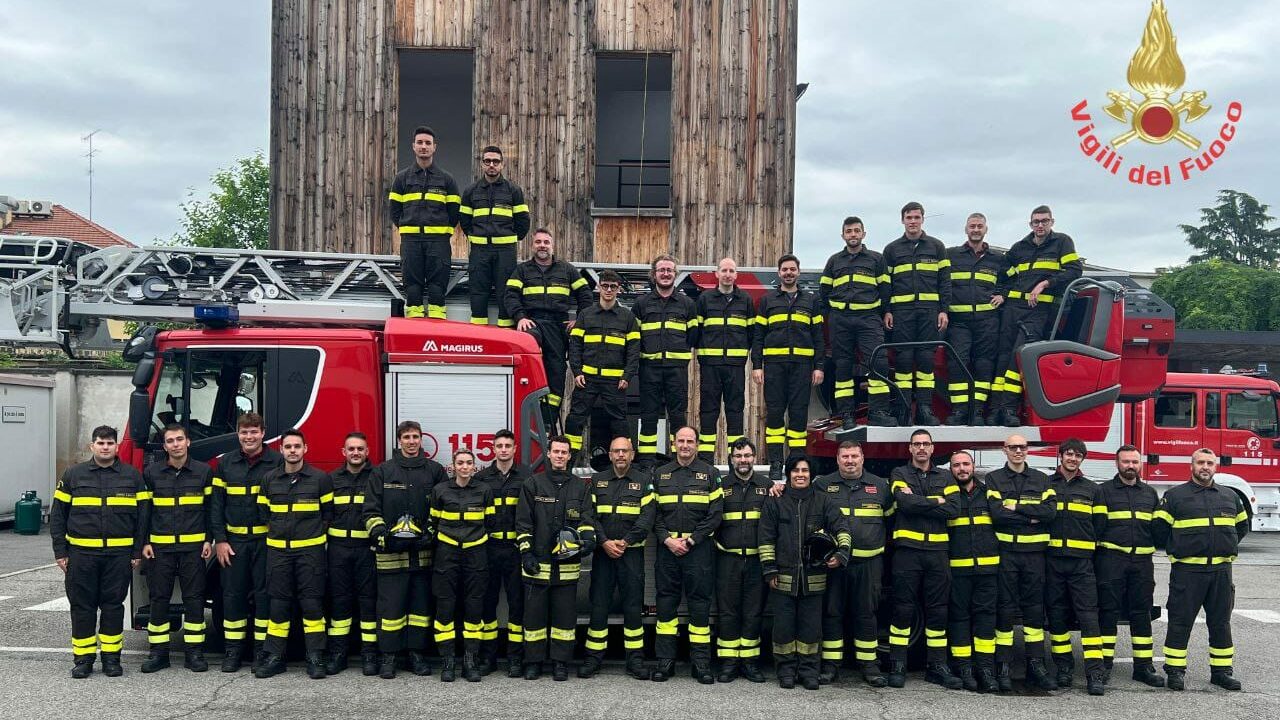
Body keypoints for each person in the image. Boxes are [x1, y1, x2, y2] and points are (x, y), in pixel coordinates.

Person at [50, 425, 149, 679]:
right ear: (91, 446)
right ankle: (83, 659)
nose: (105, 447)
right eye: (100, 443)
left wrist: (136, 551)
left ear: (116, 446)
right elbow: (58, 516)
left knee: (113, 607)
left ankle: (111, 659)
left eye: (109, 443)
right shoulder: (73, 475)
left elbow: (143, 519)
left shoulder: (133, 476)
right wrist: (60, 552)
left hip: (118, 556)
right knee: (82, 607)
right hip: (81, 555)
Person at [1153, 448, 1249, 692]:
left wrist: (1220, 546)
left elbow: (1241, 527)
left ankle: (1221, 672)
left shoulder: (1229, 496)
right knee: (1180, 622)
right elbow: (1159, 531)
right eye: (1200, 463)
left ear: (1215, 467)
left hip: (1221, 572)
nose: (1205, 467)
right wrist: (1182, 547)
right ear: (1191, 466)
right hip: (1187, 573)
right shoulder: (1175, 496)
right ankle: (1175, 672)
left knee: (1220, 623)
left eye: (1209, 463)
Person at [363, 420, 447, 679]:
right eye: (407, 437)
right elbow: (370, 510)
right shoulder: (383, 472)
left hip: (422, 555)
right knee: (390, 609)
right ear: (399, 440)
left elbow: (444, 508)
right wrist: (382, 535)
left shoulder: (435, 471)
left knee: (420, 608)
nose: (411, 441)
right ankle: (388, 656)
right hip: (391, 555)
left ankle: (416, 655)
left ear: (422, 439)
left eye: (415, 437)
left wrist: (431, 536)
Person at [759, 456, 852, 690]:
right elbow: (766, 538)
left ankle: (809, 671)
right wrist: (769, 569)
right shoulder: (776, 502)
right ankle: (786, 671)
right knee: (783, 629)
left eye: (805, 470)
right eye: (795, 470)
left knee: (811, 629)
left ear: (812, 474)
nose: (800, 474)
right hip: (783, 577)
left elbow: (842, 528)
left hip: (814, 578)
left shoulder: (823, 501)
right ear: (788, 473)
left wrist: (841, 554)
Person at [989, 205, 1082, 426]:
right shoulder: (1019, 247)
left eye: (1044, 221)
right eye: (1036, 222)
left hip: (1039, 311)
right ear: (1030, 224)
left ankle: (1010, 409)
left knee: (1018, 357)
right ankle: (995, 411)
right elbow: (1003, 273)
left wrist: (1045, 283)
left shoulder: (1062, 242)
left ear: (1052, 222)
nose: (1040, 225)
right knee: (1002, 358)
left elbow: (1074, 271)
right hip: (1012, 309)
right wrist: (1001, 294)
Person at [515, 436, 597, 681]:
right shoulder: (533, 485)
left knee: (564, 618)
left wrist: (588, 540)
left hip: (567, 566)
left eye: (565, 452)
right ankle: (534, 662)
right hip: (537, 565)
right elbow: (523, 523)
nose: (560, 456)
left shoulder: (580, 487)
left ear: (570, 456)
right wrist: (526, 552)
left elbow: (586, 520)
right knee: (534, 617)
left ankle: (560, 663)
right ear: (548, 454)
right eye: (556, 451)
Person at [255, 429, 333, 679]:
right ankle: (276, 657)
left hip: (310, 554)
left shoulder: (320, 479)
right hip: (279, 554)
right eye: (288, 446)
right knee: (278, 607)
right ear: (282, 450)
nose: (292, 451)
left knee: (312, 606)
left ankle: (315, 657)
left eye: (297, 446)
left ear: (305, 449)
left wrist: (308, 537)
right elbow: (263, 514)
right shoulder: (269, 479)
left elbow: (328, 515)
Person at [814, 439, 893, 687]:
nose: (850, 461)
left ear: (862, 458)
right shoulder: (823, 485)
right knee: (832, 613)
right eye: (845, 457)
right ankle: (830, 665)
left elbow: (891, 522)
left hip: (868, 564)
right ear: (837, 459)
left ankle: (869, 666)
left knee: (866, 614)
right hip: (835, 564)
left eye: (854, 456)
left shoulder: (881, 486)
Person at [886, 429, 961, 689]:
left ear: (932, 448)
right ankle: (897, 665)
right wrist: (935, 501)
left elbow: (953, 508)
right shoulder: (899, 474)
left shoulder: (946, 475)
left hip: (937, 554)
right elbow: (903, 504)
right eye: (916, 444)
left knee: (938, 611)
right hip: (908, 552)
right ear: (909, 448)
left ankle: (937, 666)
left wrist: (918, 500)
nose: (921, 448)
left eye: (925, 444)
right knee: (903, 609)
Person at [209, 412, 282, 673]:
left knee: (265, 598)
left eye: (254, 431)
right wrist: (220, 540)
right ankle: (233, 652)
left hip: (265, 542)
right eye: (244, 432)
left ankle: (261, 651)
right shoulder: (226, 464)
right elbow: (216, 506)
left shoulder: (278, 462)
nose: (249, 437)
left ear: (263, 433)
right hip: (234, 544)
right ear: (237, 434)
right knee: (232, 597)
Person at [985, 433, 1057, 691]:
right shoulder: (994, 479)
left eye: (1023, 447)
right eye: (1013, 447)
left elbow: (1050, 513)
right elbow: (997, 515)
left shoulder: (1041, 479)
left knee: (1034, 611)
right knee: (1004, 611)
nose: (1018, 451)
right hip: (1007, 555)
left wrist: (1016, 508)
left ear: (1028, 450)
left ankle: (1036, 665)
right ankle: (1003, 666)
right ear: (1004, 450)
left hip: (1035, 556)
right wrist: (1030, 519)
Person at [652, 426, 724, 683]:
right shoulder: (660, 474)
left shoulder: (710, 474)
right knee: (666, 606)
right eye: (680, 441)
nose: (685, 445)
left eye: (689, 441)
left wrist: (692, 540)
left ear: (697, 444)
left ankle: (701, 664)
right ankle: (665, 661)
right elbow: (654, 514)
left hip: (699, 550)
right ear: (673, 444)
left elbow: (715, 514)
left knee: (700, 607)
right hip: (668, 550)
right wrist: (667, 540)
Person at [140, 424, 214, 674]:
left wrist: (209, 539)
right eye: (170, 441)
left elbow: (211, 509)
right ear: (165, 446)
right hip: (160, 548)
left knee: (194, 599)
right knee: (158, 599)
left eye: (179, 439)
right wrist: (145, 542)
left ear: (188, 442)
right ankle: (158, 654)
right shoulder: (151, 474)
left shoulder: (204, 472)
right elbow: (145, 513)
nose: (175, 444)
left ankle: (194, 654)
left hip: (193, 547)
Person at [504, 228, 593, 430]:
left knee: (556, 374)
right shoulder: (522, 270)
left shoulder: (567, 270)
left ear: (552, 246)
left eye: (546, 242)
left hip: (557, 325)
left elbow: (585, 295)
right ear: (532, 245)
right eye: (538, 242)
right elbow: (510, 296)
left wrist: (579, 320)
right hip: (532, 322)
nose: (542, 245)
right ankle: (526, 419)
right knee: (528, 367)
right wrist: (520, 317)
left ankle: (547, 423)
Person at [583, 436, 656, 680]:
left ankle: (635, 661)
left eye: (625, 451)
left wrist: (625, 542)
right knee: (599, 606)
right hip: (603, 554)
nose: (621, 455)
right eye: (616, 451)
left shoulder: (644, 481)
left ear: (632, 454)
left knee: (633, 608)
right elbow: (589, 516)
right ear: (611, 455)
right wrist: (604, 541)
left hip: (631, 554)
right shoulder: (597, 480)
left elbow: (647, 518)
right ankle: (593, 659)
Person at [1095, 444, 1164, 687]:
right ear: (1117, 464)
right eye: (1126, 462)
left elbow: (1157, 528)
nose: (1130, 466)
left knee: (1141, 613)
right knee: (1108, 613)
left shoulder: (1149, 493)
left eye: (1135, 462)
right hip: (1111, 560)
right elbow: (1097, 527)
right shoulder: (1102, 492)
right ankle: (1103, 666)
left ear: (1140, 464)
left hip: (1142, 563)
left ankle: (1143, 667)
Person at [752, 253, 825, 482]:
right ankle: (776, 463)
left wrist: (819, 367)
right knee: (774, 415)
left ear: (798, 272)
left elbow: (819, 337)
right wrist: (757, 366)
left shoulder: (811, 301)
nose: (789, 273)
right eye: (785, 269)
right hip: (774, 367)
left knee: (798, 417)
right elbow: (758, 336)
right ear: (779, 273)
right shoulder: (767, 300)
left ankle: (796, 463)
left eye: (793, 269)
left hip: (802, 368)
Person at [819, 216, 894, 428]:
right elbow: (824, 291)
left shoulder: (877, 259)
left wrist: (885, 311)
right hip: (840, 320)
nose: (853, 234)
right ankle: (846, 414)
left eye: (856, 231)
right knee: (842, 367)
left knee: (878, 363)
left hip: (869, 319)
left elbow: (886, 290)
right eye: (849, 231)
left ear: (863, 234)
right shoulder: (834, 261)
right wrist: (832, 313)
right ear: (843, 235)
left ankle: (878, 411)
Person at [1045, 438, 1107, 694]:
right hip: (1053, 562)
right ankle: (1064, 668)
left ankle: (1095, 674)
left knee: (1089, 618)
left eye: (1077, 455)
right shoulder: (1046, 485)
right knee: (1057, 618)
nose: (1072, 458)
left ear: (1083, 459)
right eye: (1068, 454)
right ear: (1060, 456)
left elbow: (1100, 524)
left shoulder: (1093, 490)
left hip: (1082, 564)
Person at [882, 201, 951, 426]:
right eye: (909, 218)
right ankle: (903, 410)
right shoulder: (892, 250)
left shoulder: (937, 247)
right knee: (902, 360)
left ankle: (924, 409)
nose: (913, 222)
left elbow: (945, 282)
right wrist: (887, 311)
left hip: (929, 313)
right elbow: (886, 284)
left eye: (917, 217)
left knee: (925, 359)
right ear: (902, 220)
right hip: (901, 313)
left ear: (923, 219)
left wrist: (943, 310)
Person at [430, 448, 494, 682]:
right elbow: (434, 521)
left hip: (476, 553)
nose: (465, 467)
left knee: (474, 608)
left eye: (469, 463)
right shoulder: (440, 491)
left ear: (474, 467)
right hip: (446, 554)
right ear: (453, 466)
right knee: (445, 608)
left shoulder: (485, 491)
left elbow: (490, 520)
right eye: (460, 463)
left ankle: (470, 660)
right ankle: (448, 661)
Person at [564, 268, 641, 456]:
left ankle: (625, 459)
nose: (608, 290)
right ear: (598, 287)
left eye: (612, 287)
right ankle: (569, 460)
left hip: (616, 382)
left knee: (620, 422)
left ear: (618, 289)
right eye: (605, 286)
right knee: (575, 419)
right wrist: (577, 372)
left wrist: (627, 376)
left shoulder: (627, 318)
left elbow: (633, 351)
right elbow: (575, 346)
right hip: (587, 379)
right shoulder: (585, 315)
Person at [714, 438, 773, 683]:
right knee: (728, 613)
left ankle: (749, 663)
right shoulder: (721, 486)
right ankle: (729, 663)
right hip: (728, 560)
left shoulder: (768, 487)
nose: (743, 460)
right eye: (738, 456)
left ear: (755, 457)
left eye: (747, 455)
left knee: (753, 613)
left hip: (756, 561)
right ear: (731, 458)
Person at [474, 429, 532, 676]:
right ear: (493, 449)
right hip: (489, 548)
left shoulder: (527, 478)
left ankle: (515, 659)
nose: (504, 450)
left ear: (515, 448)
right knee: (488, 605)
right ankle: (488, 658)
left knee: (517, 606)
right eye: (499, 446)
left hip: (516, 549)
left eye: (508, 445)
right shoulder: (482, 478)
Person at [388, 125, 460, 319]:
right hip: (411, 241)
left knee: (438, 285)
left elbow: (454, 213)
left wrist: (442, 230)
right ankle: (414, 323)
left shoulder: (447, 180)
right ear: (413, 146)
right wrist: (408, 227)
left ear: (434, 147)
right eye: (420, 142)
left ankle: (437, 323)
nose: (423, 146)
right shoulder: (401, 179)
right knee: (412, 285)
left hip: (438, 242)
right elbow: (394, 211)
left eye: (428, 143)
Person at [634, 254, 700, 466]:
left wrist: (678, 353)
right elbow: (635, 338)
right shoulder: (641, 304)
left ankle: (678, 463)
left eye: (669, 270)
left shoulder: (687, 304)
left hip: (676, 370)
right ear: (654, 275)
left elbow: (693, 335)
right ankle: (646, 463)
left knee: (677, 416)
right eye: (661, 270)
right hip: (649, 369)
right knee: (649, 416)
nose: (665, 274)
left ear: (675, 274)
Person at [945, 450, 1000, 693]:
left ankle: (986, 670)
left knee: (986, 620)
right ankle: (964, 668)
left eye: (965, 464)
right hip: (958, 571)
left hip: (988, 570)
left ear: (973, 465)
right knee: (959, 620)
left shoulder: (989, 494)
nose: (962, 469)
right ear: (951, 469)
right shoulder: (947, 494)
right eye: (956, 465)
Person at [944, 213, 1007, 425]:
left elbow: (1012, 280)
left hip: (987, 321)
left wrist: (1003, 294)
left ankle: (977, 411)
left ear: (986, 229)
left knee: (984, 365)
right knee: (957, 364)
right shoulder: (950, 255)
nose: (976, 229)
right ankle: (960, 410)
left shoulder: (998, 259)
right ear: (966, 229)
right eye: (972, 226)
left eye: (980, 226)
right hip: (958, 321)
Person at [324, 432, 379, 676]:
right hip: (338, 550)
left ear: (367, 452)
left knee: (368, 603)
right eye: (351, 449)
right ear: (343, 452)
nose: (355, 453)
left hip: (367, 550)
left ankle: (369, 653)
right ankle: (338, 653)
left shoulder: (377, 477)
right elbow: (323, 514)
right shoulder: (331, 479)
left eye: (360, 449)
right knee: (339, 601)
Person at [459, 145, 530, 327]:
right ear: (482, 164)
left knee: (505, 290)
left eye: (496, 161)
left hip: (505, 251)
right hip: (479, 250)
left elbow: (523, 221)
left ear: (502, 165)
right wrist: (476, 237)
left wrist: (511, 238)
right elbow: (465, 221)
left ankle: (505, 331)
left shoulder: (513, 191)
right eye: (488, 161)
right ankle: (479, 330)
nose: (492, 165)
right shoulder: (470, 191)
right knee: (478, 290)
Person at [695, 257, 755, 462]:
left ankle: (737, 460)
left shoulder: (745, 300)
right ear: (717, 274)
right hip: (710, 366)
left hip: (735, 367)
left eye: (731, 271)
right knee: (708, 412)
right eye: (724, 270)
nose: (728, 274)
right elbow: (697, 332)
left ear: (736, 275)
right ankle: (705, 461)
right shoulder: (705, 299)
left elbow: (752, 333)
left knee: (735, 412)